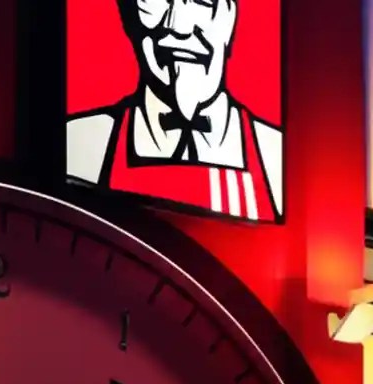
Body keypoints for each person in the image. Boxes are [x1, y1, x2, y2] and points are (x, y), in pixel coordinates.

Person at [68, 0, 283, 222]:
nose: (180, 27)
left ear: (228, 18)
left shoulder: (271, 153)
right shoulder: (87, 141)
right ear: (129, 18)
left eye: (202, 1)